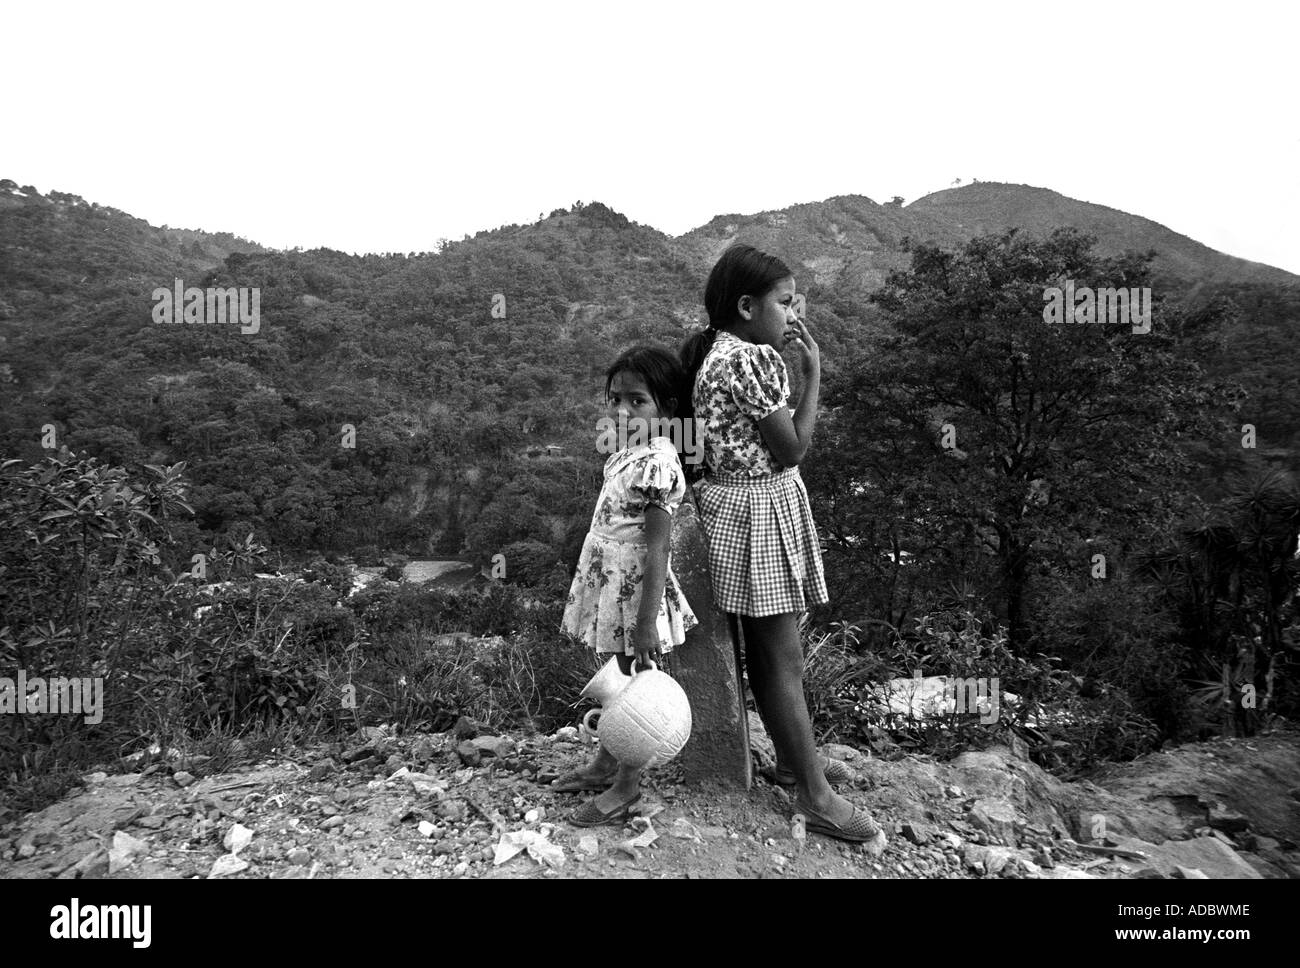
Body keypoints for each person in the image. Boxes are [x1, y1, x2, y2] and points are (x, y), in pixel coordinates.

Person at [679, 243, 885, 844]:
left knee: (766, 656)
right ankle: (816, 797)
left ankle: (796, 765)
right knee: (783, 661)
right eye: (786, 302)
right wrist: (814, 376)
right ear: (747, 306)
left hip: (730, 509)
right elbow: (792, 447)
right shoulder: (756, 362)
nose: (795, 313)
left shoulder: (713, 353)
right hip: (761, 510)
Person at [554, 345, 699, 825]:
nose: (622, 411)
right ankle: (604, 764)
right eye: (616, 399)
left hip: (634, 590)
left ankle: (627, 785)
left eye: (637, 401)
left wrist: (644, 625)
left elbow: (658, 548)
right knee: (618, 681)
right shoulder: (628, 452)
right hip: (610, 579)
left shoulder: (659, 461)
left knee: (635, 689)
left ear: (667, 408)